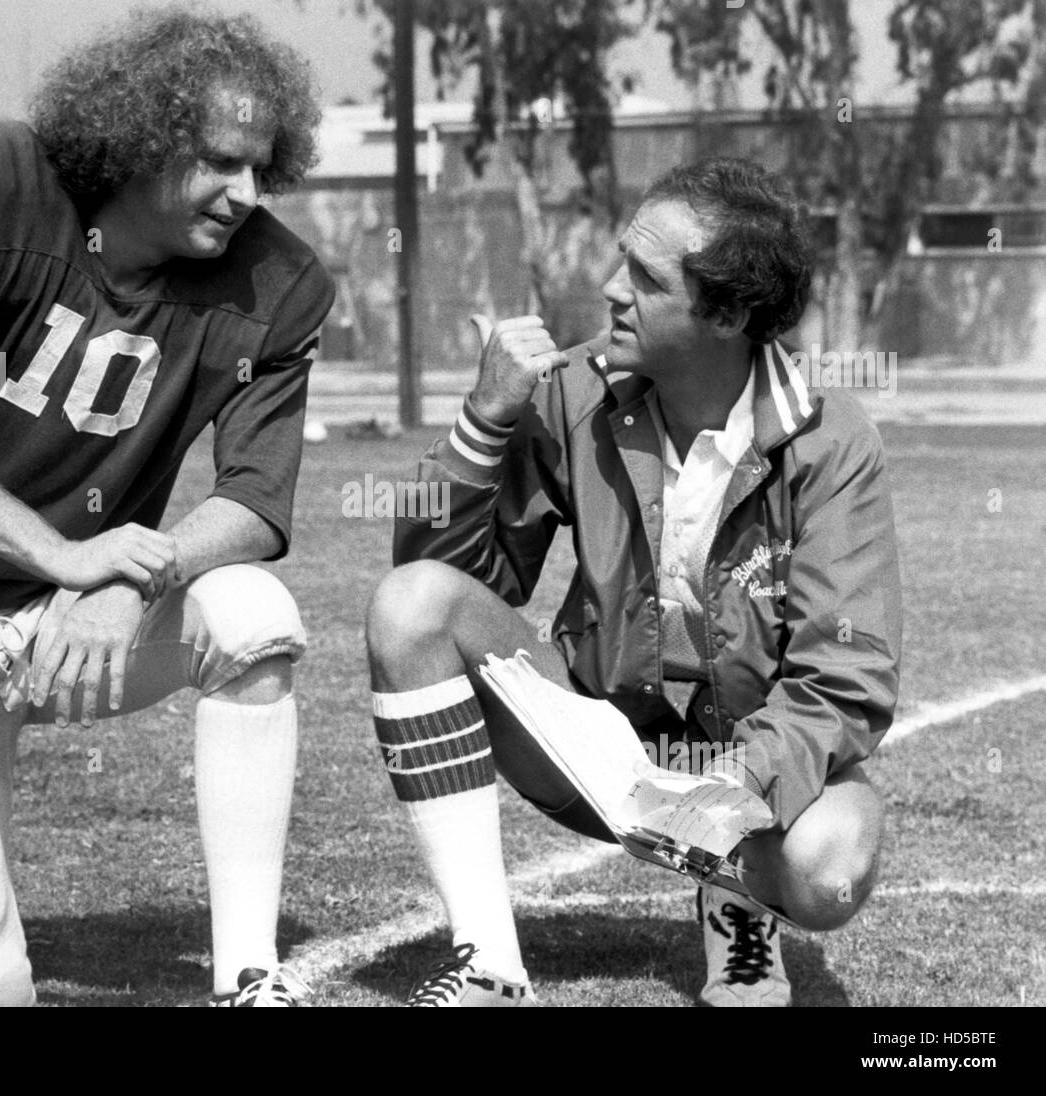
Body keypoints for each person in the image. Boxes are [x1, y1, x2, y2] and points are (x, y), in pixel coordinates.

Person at [0, 7, 334, 1007]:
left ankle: (249, 975)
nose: (247, 193)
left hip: (87, 618)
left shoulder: (280, 282)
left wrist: (132, 576)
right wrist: (68, 557)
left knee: (254, 622)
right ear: (138, 136)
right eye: (221, 162)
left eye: (261, 168)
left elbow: (255, 502)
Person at [366, 157, 901, 1007]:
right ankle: (490, 966)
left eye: (646, 279)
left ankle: (739, 902)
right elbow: (458, 580)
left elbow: (847, 675)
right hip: (606, 747)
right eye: (623, 260)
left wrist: (739, 787)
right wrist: (484, 419)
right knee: (410, 606)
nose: (610, 288)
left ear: (727, 313)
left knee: (827, 869)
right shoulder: (574, 390)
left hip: (746, 769)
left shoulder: (830, 441)